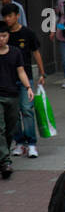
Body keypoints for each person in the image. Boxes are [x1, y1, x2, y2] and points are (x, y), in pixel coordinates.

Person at [1, 4, 42, 159]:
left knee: (26, 110)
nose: (7, 19)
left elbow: (36, 52)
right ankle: (19, 142)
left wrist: (42, 73)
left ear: (17, 15)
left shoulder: (27, 33)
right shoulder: (3, 33)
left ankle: (31, 143)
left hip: (25, 77)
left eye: (10, 16)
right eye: (5, 16)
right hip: (8, 82)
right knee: (13, 114)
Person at [0, 21, 34, 179]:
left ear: (8, 36)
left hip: (12, 94)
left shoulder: (15, 52)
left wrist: (28, 88)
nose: (1, 39)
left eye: (4, 36)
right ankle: (5, 161)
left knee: (10, 128)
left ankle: (3, 155)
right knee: (0, 128)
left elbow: (21, 71)